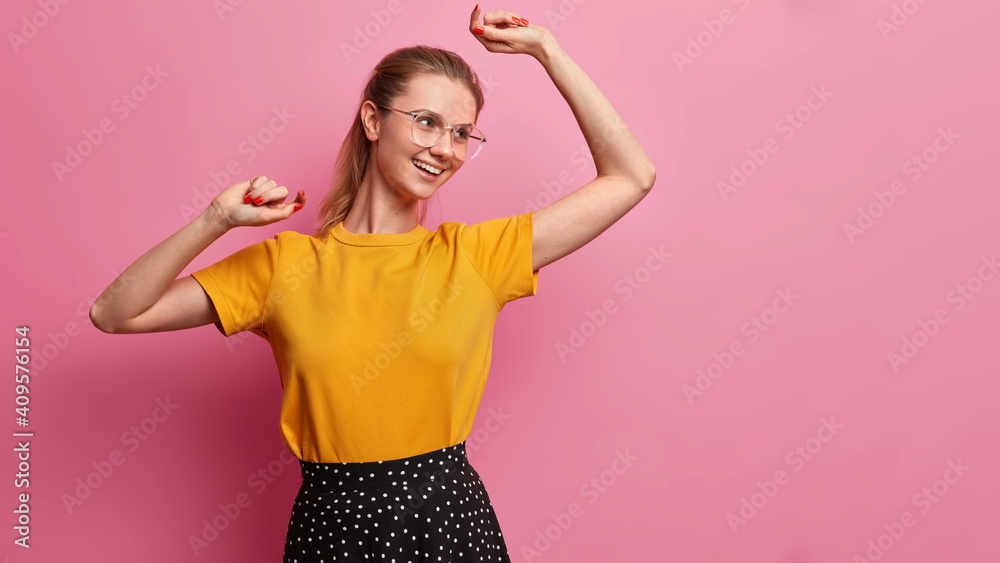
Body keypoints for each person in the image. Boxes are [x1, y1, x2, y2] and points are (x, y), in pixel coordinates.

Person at [89, 5, 654, 562]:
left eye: (462, 133)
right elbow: (116, 314)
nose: (444, 148)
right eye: (427, 121)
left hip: (449, 525)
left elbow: (632, 175)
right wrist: (216, 219)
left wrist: (546, 50)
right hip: (331, 531)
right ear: (373, 120)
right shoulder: (280, 268)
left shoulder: (476, 257)